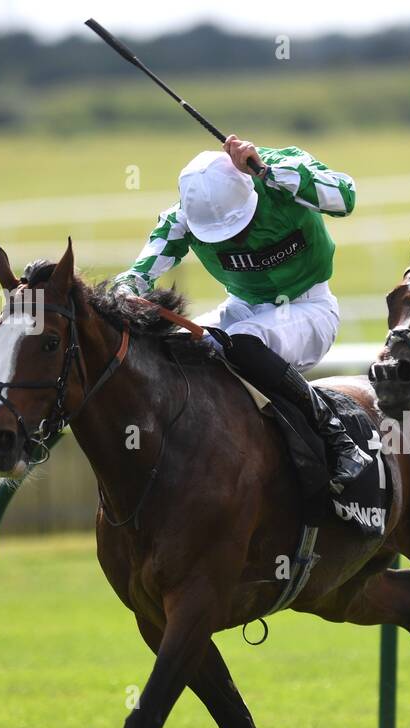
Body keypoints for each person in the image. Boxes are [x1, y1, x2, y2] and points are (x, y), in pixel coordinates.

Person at [114, 135, 370, 493]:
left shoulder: (277, 172)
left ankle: (337, 437)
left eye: (240, 226)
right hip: (241, 309)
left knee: (244, 343)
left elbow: (346, 197)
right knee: (172, 348)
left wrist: (270, 171)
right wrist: (125, 292)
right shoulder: (183, 217)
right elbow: (138, 273)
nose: (235, 241)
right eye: (219, 236)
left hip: (310, 308)